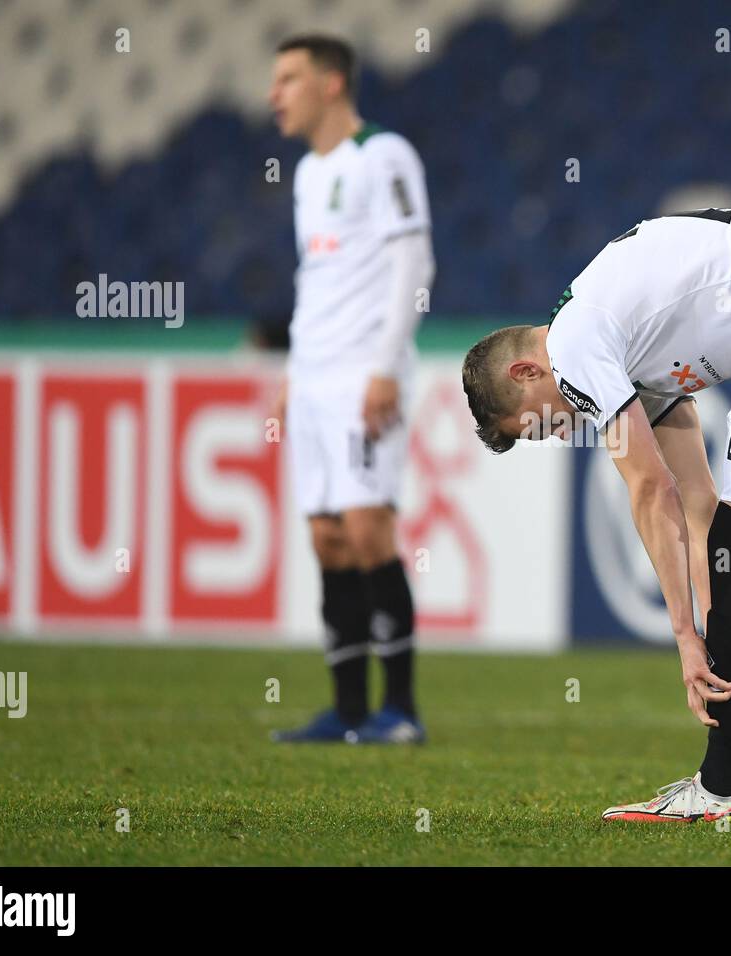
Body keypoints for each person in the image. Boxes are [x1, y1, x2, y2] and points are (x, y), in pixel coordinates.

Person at [461, 207, 731, 820]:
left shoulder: (572, 343)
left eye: (540, 425)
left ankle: (720, 788)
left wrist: (684, 640)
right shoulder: (635, 349)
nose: (563, 432)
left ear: (526, 371)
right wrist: (706, 627)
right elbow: (697, 509)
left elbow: (650, 490)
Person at [267, 34, 435, 744]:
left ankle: (400, 710)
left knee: (369, 527)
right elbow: (315, 279)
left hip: (367, 369)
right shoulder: (307, 173)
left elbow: (413, 260)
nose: (275, 94)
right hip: (314, 375)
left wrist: (382, 365)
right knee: (327, 535)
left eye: (289, 79)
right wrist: (292, 373)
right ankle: (348, 711)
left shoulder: (383, 155)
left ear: (331, 83)